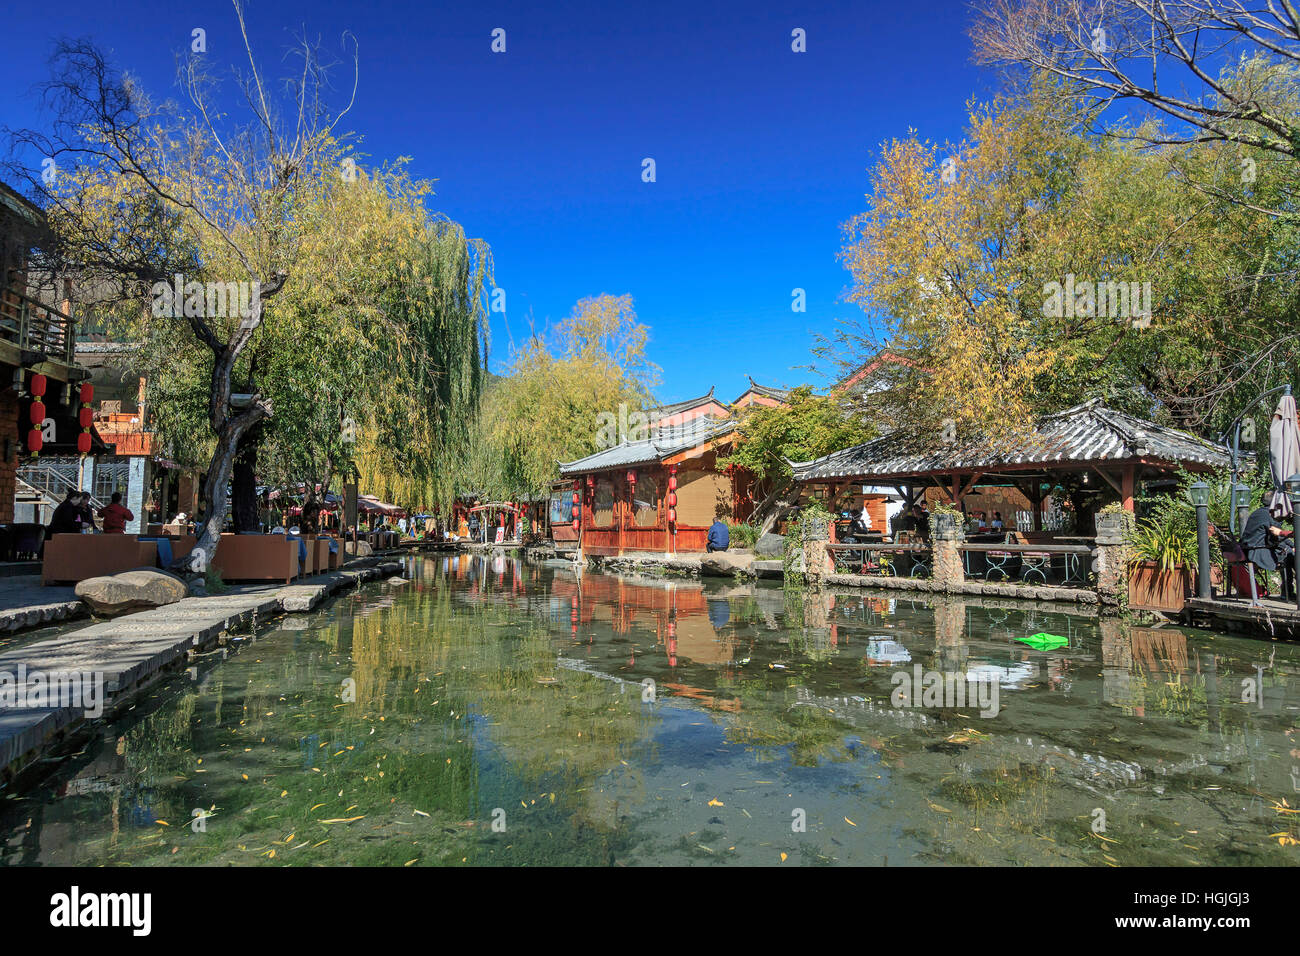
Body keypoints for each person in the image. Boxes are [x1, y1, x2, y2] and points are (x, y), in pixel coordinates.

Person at [1242, 506, 1296, 600]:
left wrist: (1291, 544)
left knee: (1289, 551)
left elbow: (1278, 536)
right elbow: (1275, 538)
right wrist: (1289, 546)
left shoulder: (1258, 512)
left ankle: (1287, 592)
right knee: (1289, 555)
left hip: (1249, 549)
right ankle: (1287, 592)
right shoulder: (1270, 515)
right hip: (1259, 551)